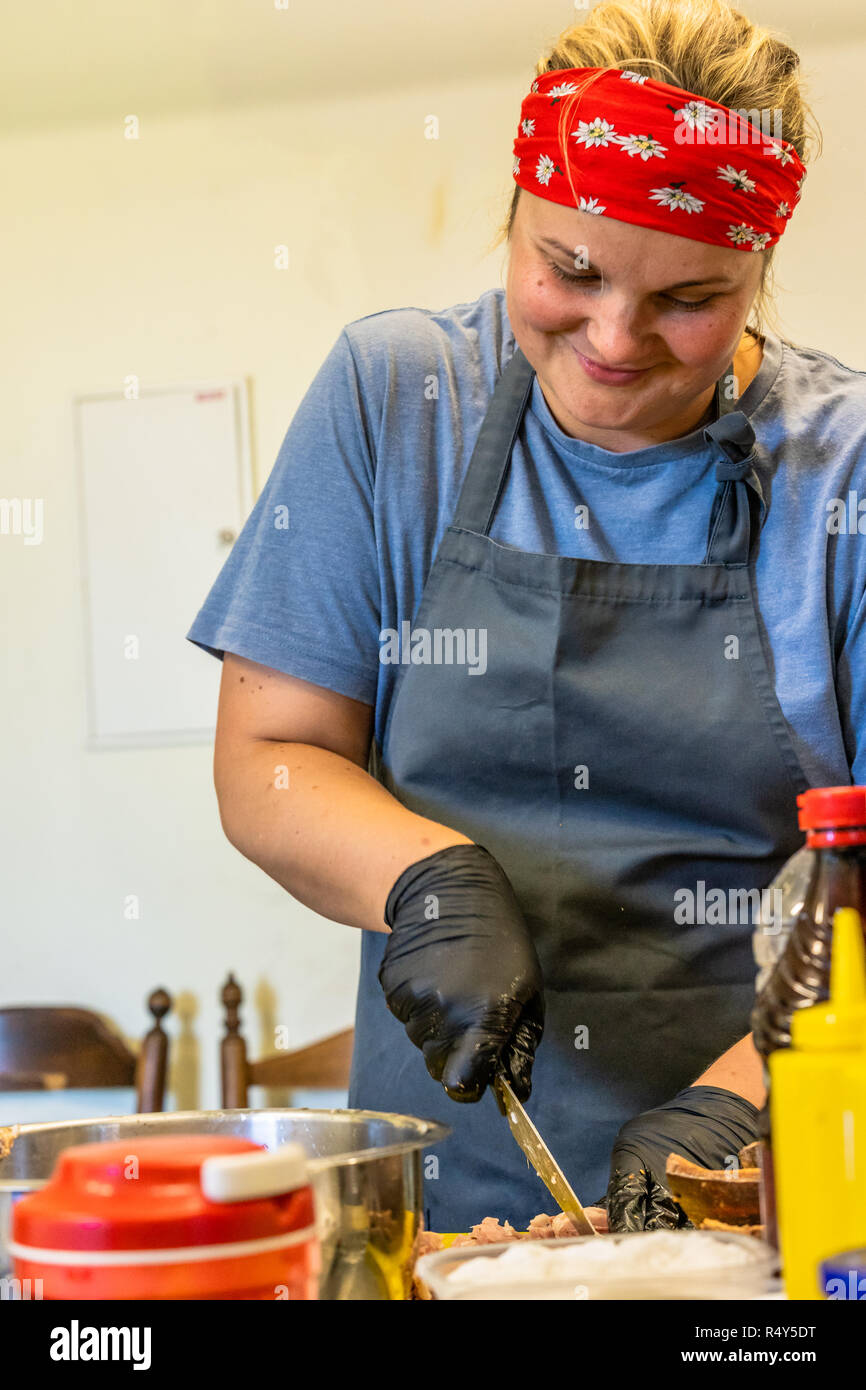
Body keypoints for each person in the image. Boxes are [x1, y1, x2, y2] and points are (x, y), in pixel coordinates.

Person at [188, 0, 866, 1233]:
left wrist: (734, 1116)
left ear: (761, 267)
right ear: (514, 216)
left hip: (764, 1183)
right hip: (446, 1209)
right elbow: (269, 756)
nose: (611, 338)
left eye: (688, 298)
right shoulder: (396, 402)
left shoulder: (846, 475)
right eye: (568, 270)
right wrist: (425, 880)